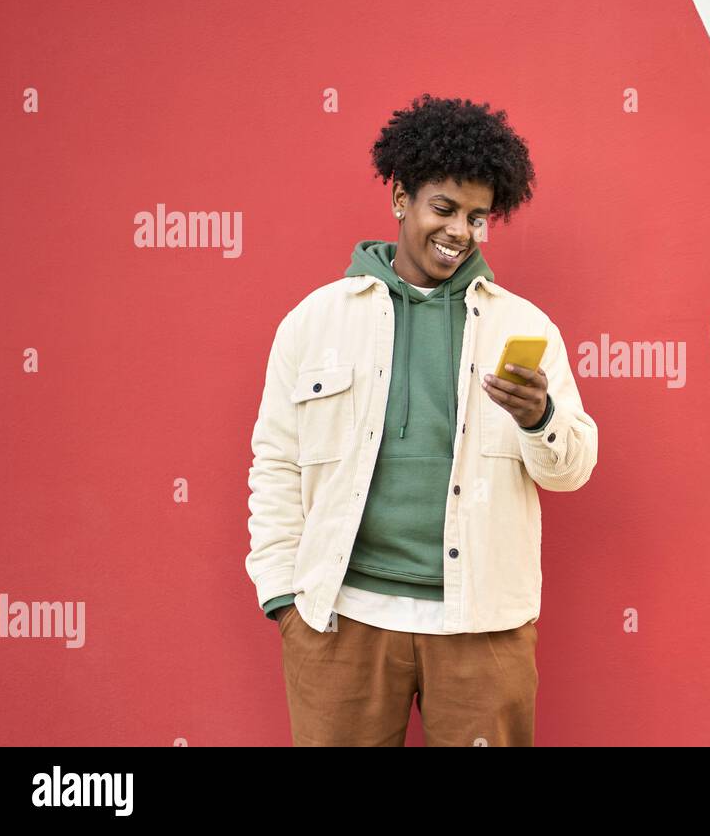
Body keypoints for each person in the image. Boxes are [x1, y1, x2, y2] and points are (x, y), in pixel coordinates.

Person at [244, 94, 598, 746]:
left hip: (482, 625)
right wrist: (282, 598)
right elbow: (275, 464)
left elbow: (572, 467)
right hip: (339, 620)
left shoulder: (525, 327)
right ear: (400, 198)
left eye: (477, 217)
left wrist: (538, 417)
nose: (460, 231)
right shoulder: (315, 321)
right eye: (444, 208)